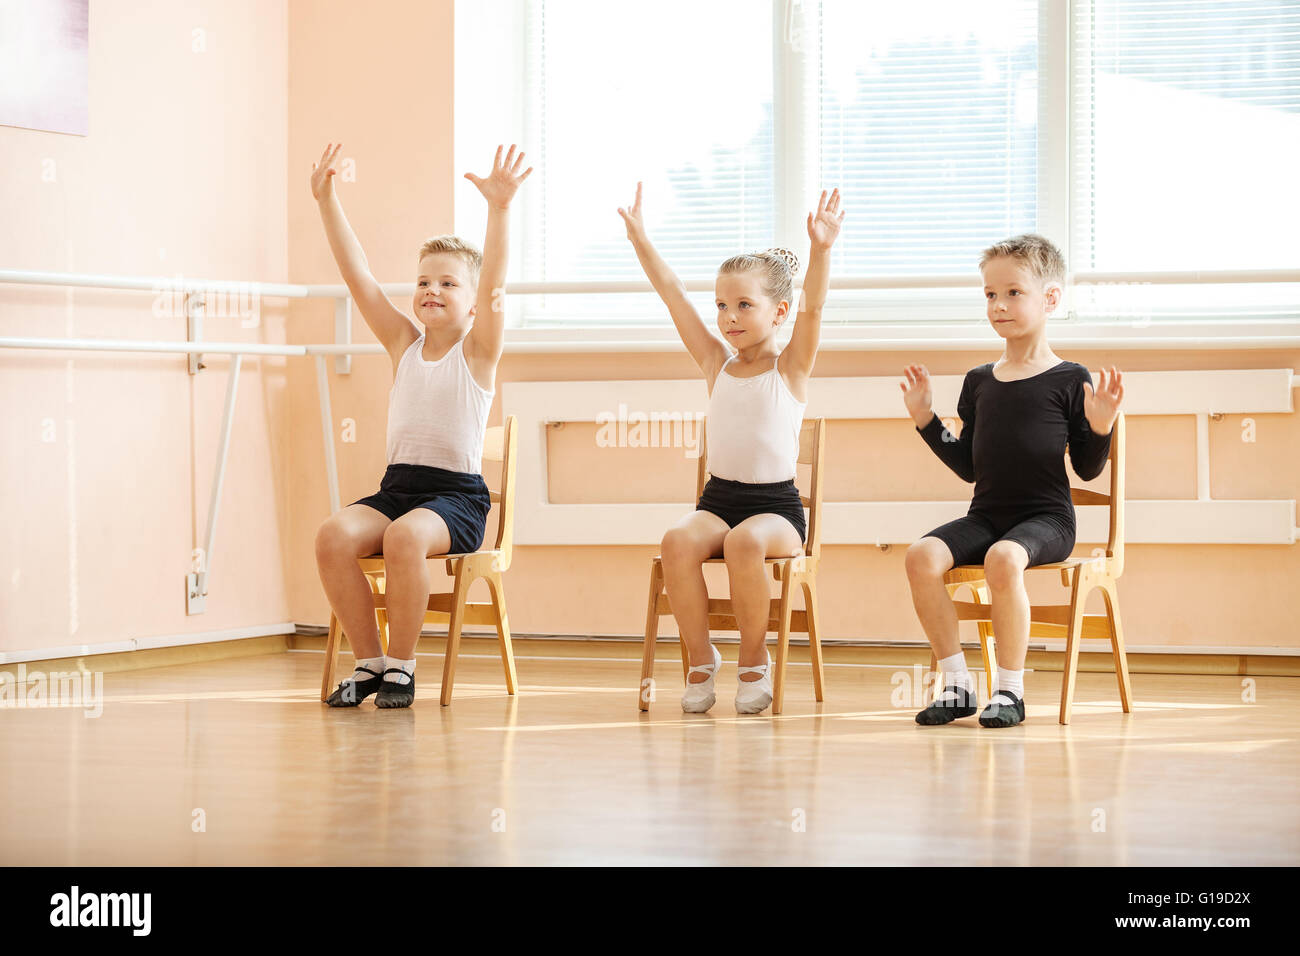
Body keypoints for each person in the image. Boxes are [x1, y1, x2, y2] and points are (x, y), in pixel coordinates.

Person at [313, 143, 531, 708]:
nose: (432, 290)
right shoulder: (403, 344)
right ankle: (369, 662)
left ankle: (403, 668)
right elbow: (358, 277)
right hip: (398, 487)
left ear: (476, 304)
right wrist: (326, 200)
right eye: (424, 282)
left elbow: (497, 283)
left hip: (456, 500)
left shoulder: (478, 353)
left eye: (449, 284)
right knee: (334, 536)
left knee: (405, 535)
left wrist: (500, 211)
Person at [619, 183, 844, 714]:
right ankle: (701, 660)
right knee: (677, 540)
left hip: (776, 512)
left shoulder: (791, 367)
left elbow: (816, 309)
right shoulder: (714, 363)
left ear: (780, 311)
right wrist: (640, 240)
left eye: (744, 304)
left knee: (745, 544)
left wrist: (822, 250)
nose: (729, 317)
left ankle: (752, 659)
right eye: (722, 305)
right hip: (719, 502)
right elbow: (672, 293)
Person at [901, 233, 1124, 728]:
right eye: (989, 294)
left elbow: (1087, 469)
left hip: (1048, 520)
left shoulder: (1070, 378)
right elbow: (970, 468)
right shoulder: (979, 381)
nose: (998, 305)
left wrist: (1102, 425)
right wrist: (926, 421)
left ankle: (1010, 691)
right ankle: (957, 685)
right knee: (921, 557)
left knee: (1004, 558)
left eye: (1013, 293)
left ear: (1050, 298)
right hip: (988, 515)